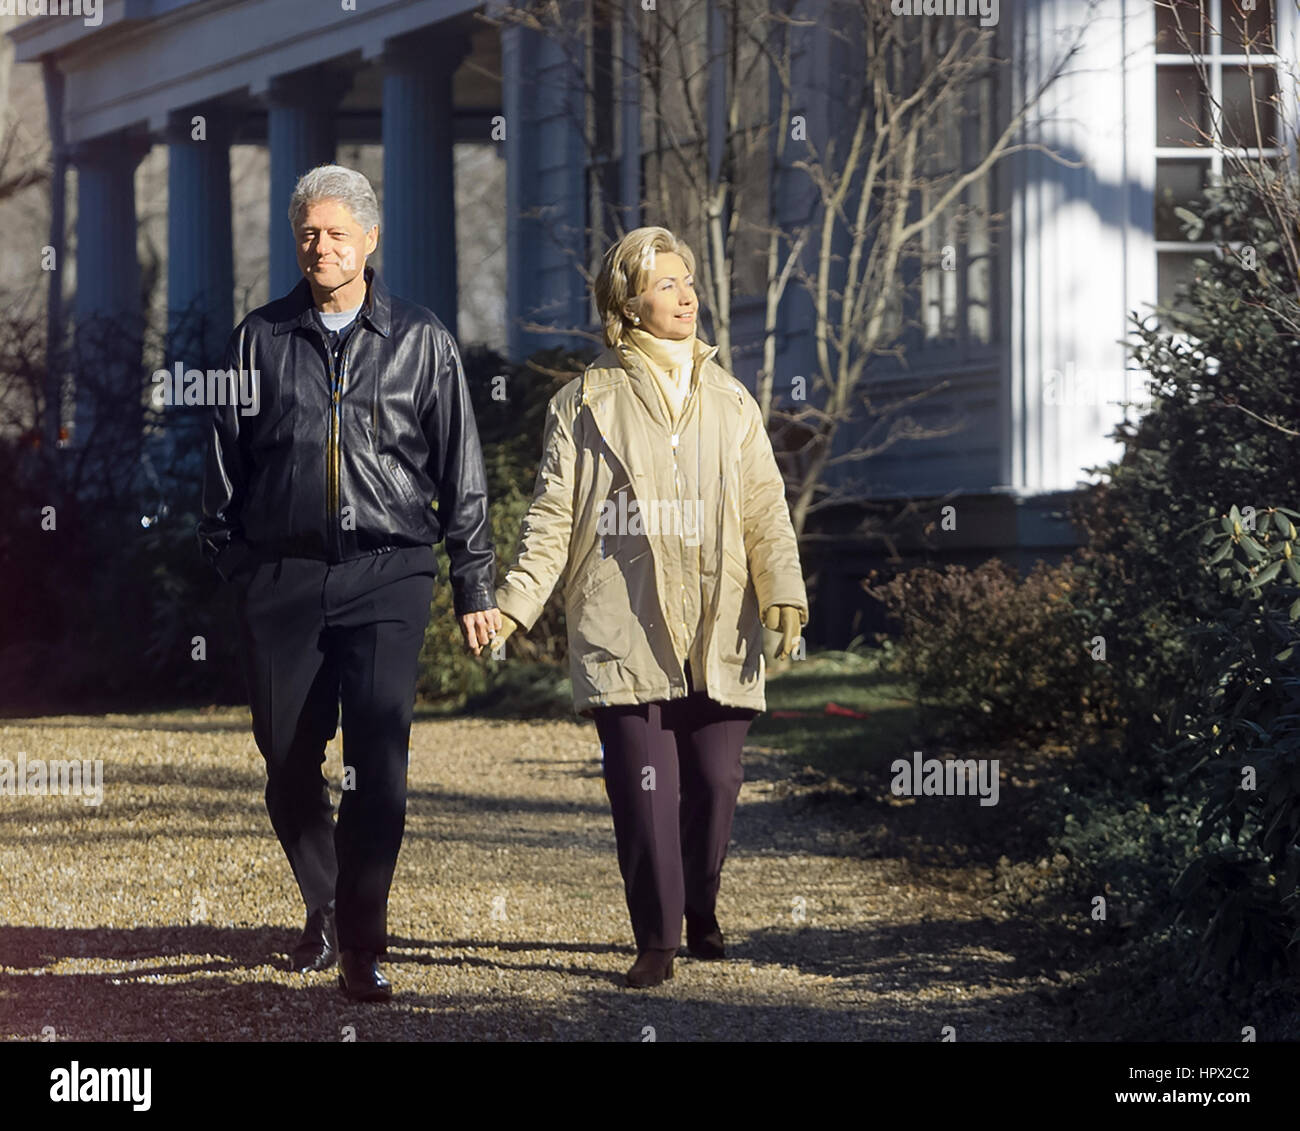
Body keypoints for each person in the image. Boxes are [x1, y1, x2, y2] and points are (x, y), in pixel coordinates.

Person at [197, 164, 501, 1002]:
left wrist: (475, 581)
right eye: (307, 232)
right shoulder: (257, 340)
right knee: (288, 760)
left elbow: (461, 472)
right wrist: (239, 568)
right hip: (282, 578)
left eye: (335, 232)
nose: (319, 246)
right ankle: (327, 902)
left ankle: (362, 940)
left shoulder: (423, 341)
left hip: (389, 574)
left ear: (369, 239)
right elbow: (219, 468)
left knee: (380, 764)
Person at [491, 226, 807, 988]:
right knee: (646, 787)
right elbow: (551, 517)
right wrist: (513, 605)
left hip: (720, 620)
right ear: (626, 304)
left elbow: (766, 506)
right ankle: (658, 937)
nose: (686, 295)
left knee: (718, 779)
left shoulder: (732, 400)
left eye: (688, 280)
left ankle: (701, 904)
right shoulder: (583, 403)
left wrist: (784, 591)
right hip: (623, 621)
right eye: (666, 284)